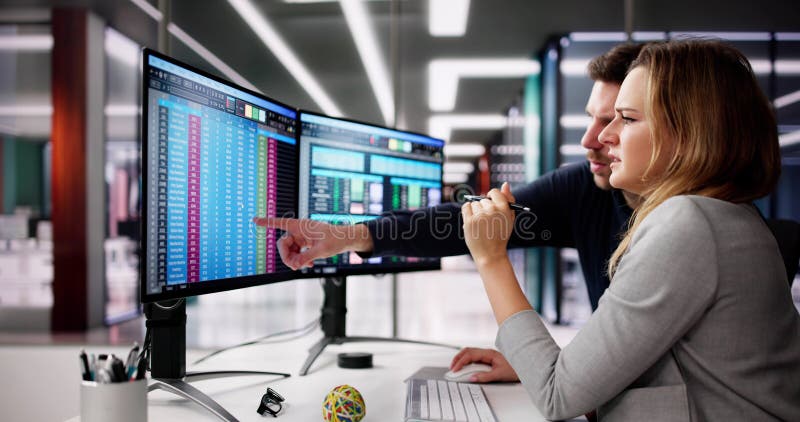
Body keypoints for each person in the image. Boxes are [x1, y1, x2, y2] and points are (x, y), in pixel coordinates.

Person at [462, 39, 800, 420]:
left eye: (628, 118)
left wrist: (491, 259)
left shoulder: (689, 224)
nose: (605, 136)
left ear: (688, 134)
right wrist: (535, 364)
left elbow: (557, 395)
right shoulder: (730, 218)